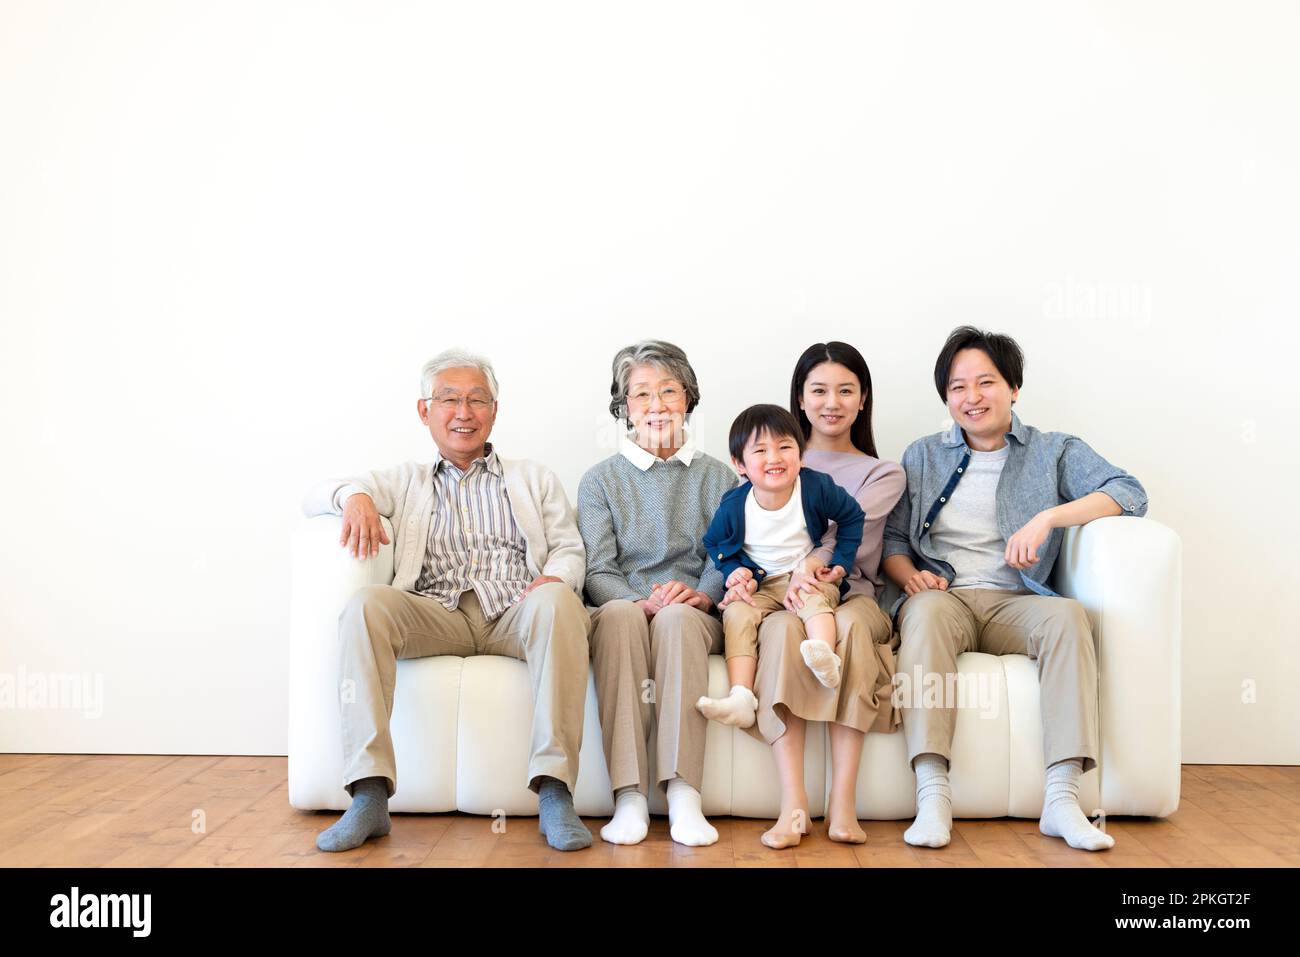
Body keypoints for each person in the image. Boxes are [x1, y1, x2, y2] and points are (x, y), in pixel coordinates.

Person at [302, 348, 593, 853]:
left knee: (560, 600)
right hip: (436, 613)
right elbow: (313, 494)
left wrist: (554, 580)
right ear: (425, 411)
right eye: (450, 400)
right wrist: (354, 496)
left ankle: (555, 791)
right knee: (366, 606)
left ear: (494, 411)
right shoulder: (407, 479)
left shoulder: (534, 478)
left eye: (477, 399)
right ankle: (369, 796)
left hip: (515, 611)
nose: (464, 412)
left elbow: (568, 546)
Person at [882, 326, 1149, 851]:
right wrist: (908, 575)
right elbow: (893, 540)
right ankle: (933, 796)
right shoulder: (922, 455)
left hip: (1018, 602)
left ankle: (1062, 799)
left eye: (986, 383)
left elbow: (1129, 492)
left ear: (1013, 388)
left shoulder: (1054, 450)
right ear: (946, 398)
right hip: (946, 598)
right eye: (958, 387)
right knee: (927, 612)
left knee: (1069, 618)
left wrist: (1048, 517)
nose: (972, 398)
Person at [576, 340, 738, 847]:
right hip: (625, 605)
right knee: (623, 617)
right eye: (641, 394)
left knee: (674, 620)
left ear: (687, 397)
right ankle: (628, 795)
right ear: (623, 408)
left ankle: (683, 792)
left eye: (668, 391)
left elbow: (725, 558)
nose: (656, 405)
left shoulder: (719, 476)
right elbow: (598, 569)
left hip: (692, 612)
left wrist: (701, 594)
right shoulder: (599, 481)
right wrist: (637, 600)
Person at [697, 404, 870, 848]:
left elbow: (852, 518)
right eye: (760, 450)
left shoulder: (815, 488)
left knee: (817, 600)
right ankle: (740, 695)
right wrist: (733, 569)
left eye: (785, 446)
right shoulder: (735, 503)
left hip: (805, 574)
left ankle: (824, 656)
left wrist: (838, 564)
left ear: (802, 453)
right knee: (736, 612)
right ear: (740, 465)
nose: (774, 457)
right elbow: (715, 543)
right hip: (761, 582)